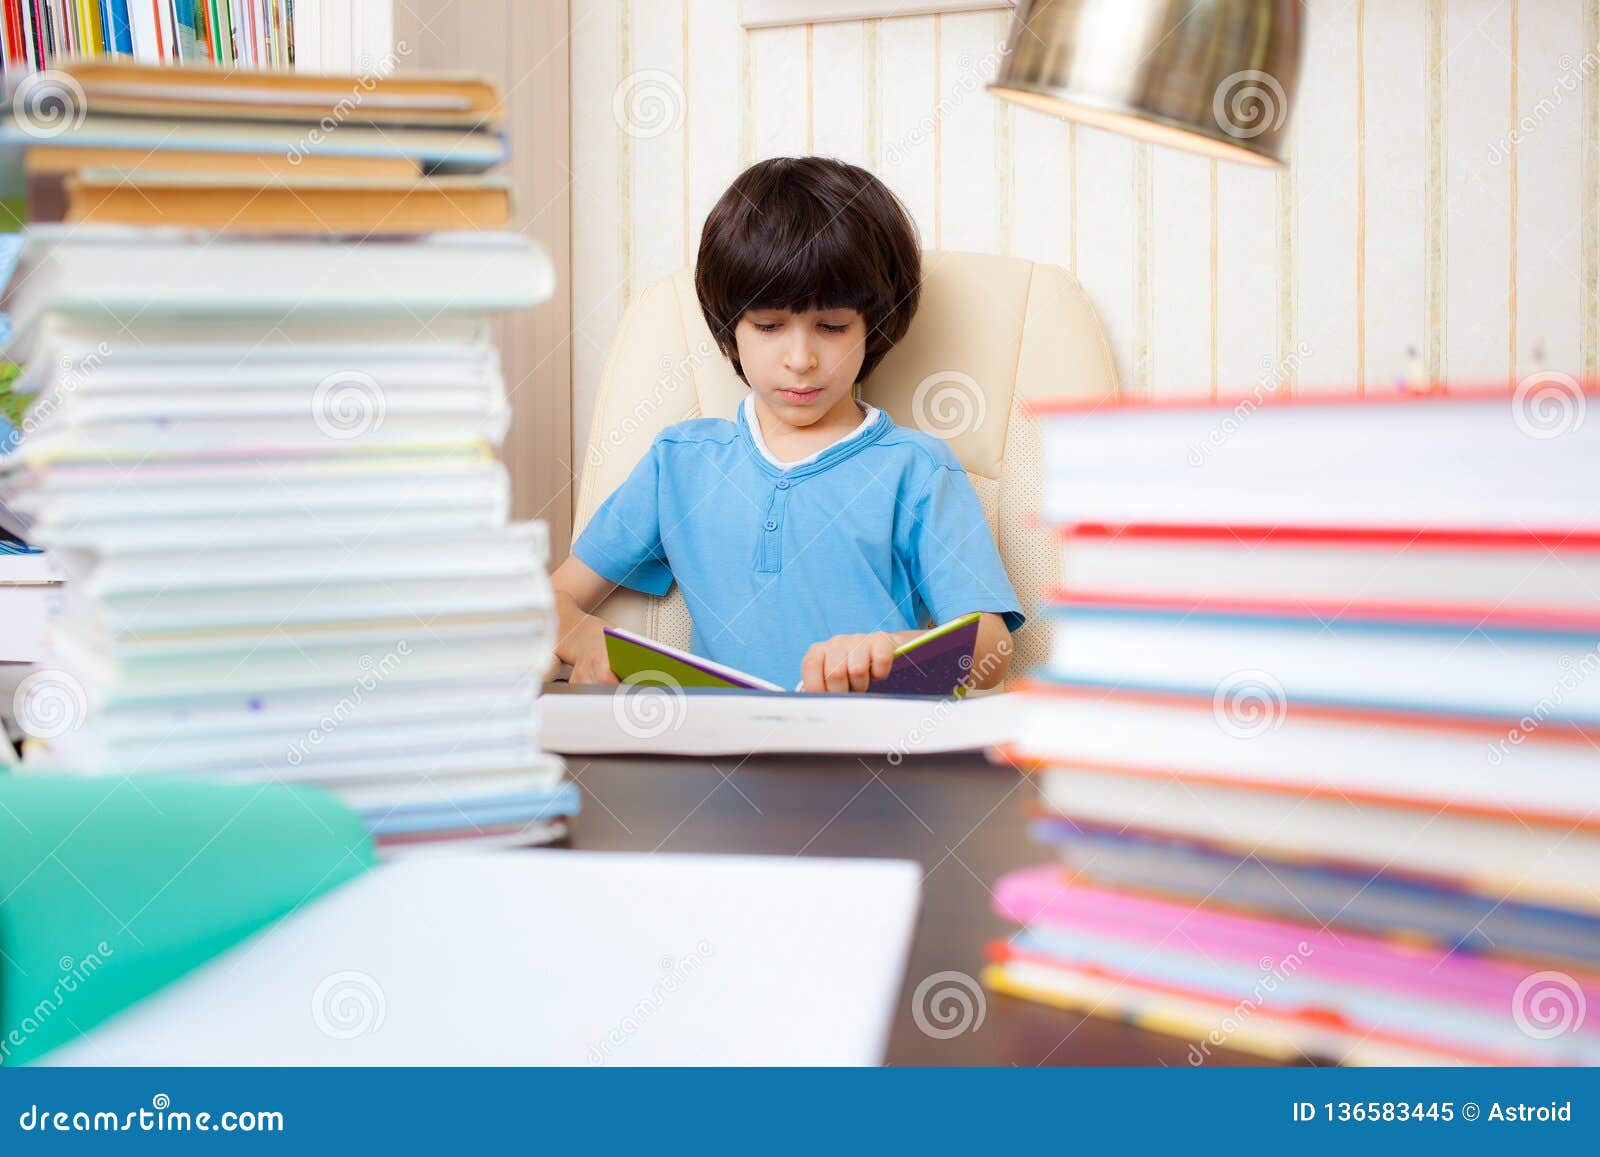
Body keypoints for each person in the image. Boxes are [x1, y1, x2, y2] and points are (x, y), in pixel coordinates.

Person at [552, 156, 1023, 693]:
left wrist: (893, 650)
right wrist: (588, 642)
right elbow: (553, 601)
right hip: (717, 739)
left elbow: (992, 646)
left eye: (832, 326)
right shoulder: (679, 462)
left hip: (868, 740)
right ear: (730, 330)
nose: (801, 359)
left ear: (873, 327)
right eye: (770, 325)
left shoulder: (916, 468)